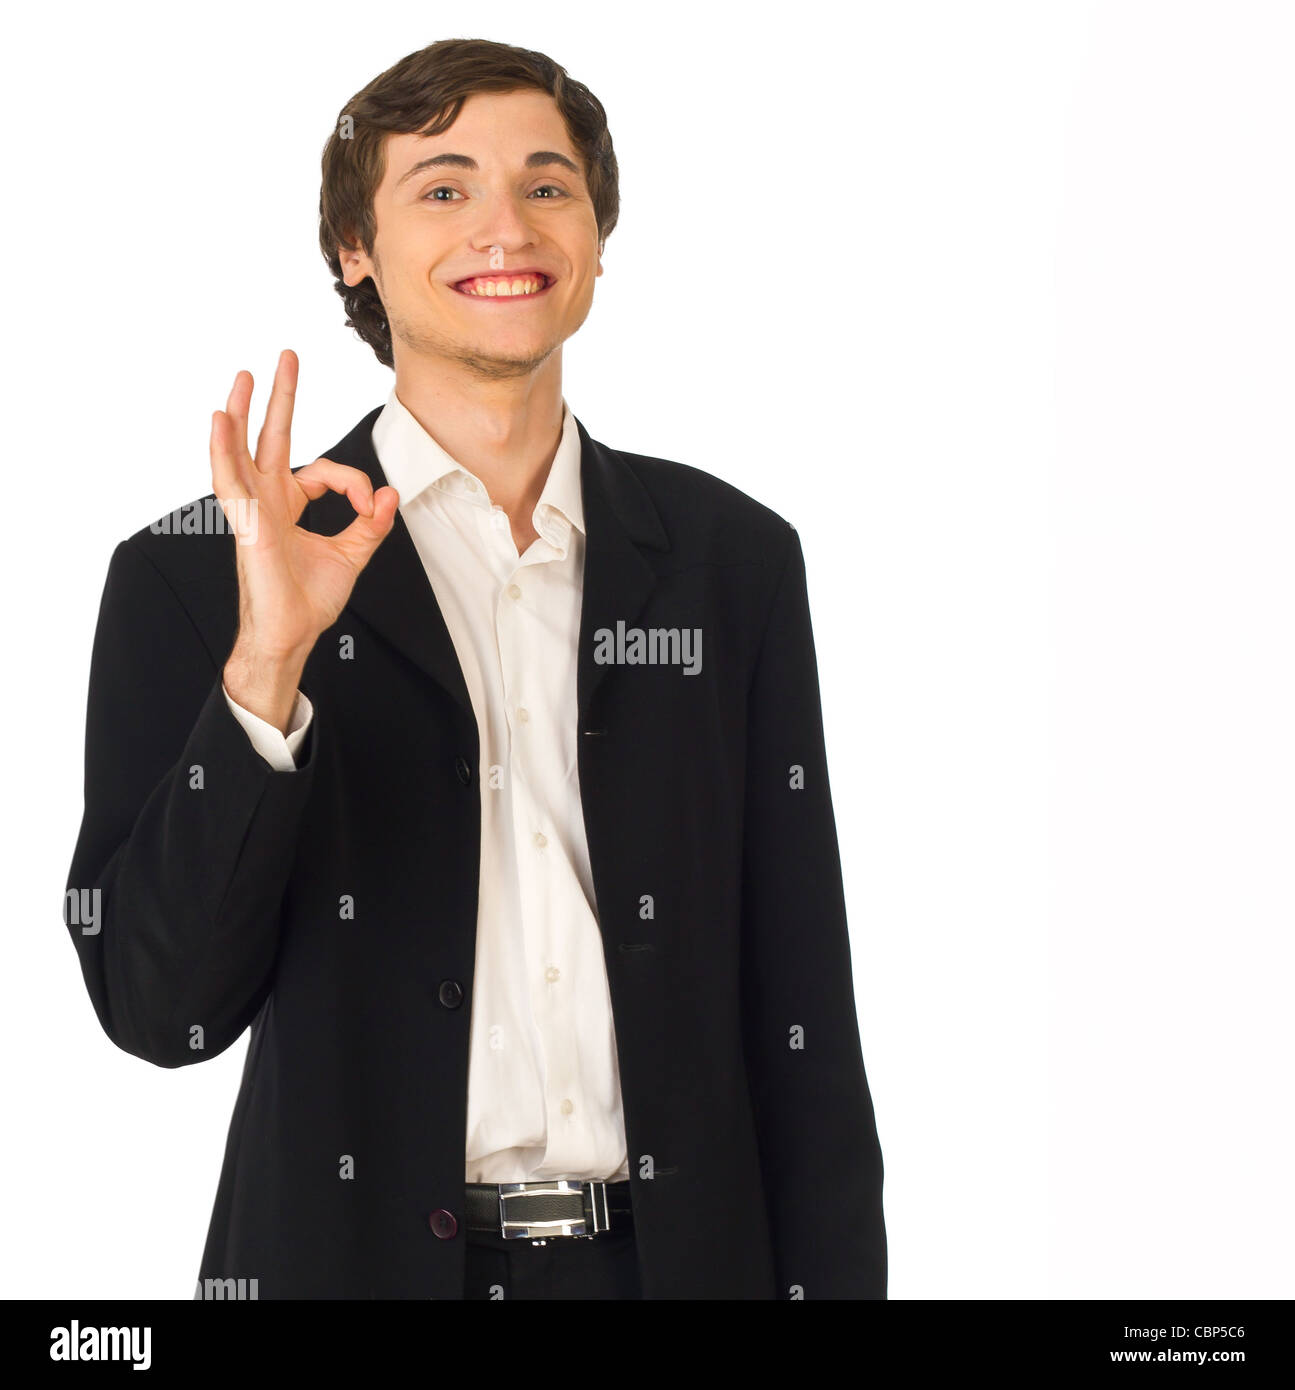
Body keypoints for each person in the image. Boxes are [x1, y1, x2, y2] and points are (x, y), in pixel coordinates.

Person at [63, 36, 886, 1300]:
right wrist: (267, 662)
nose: (504, 226)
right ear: (356, 249)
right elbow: (157, 1009)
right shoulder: (201, 570)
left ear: (597, 240)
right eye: (441, 189)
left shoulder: (733, 563)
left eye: (546, 186)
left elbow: (803, 1016)